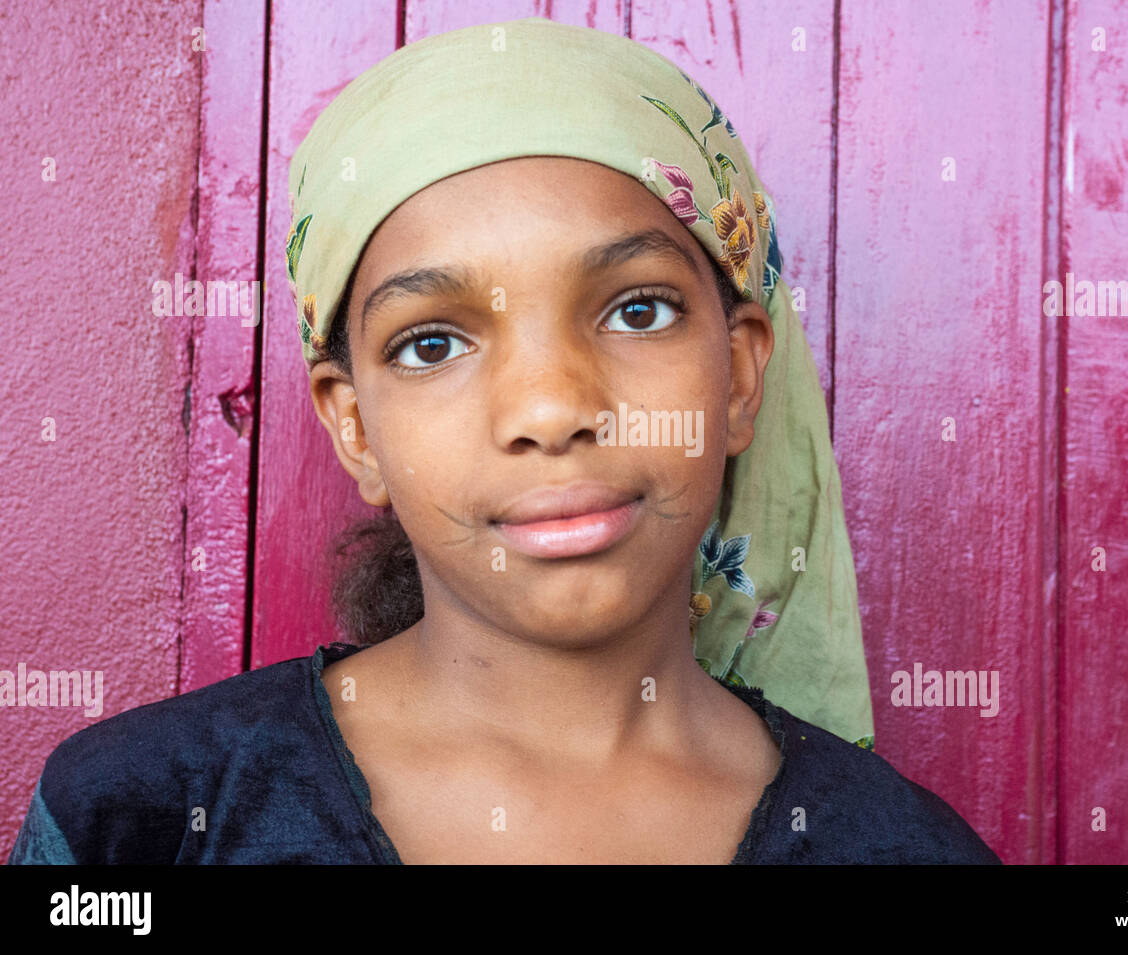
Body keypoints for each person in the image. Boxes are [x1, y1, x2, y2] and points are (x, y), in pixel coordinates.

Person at [7, 17, 998, 865]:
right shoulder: (135, 823)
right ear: (354, 426)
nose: (550, 407)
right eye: (432, 342)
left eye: (638, 311)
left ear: (738, 375)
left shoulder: (903, 848)